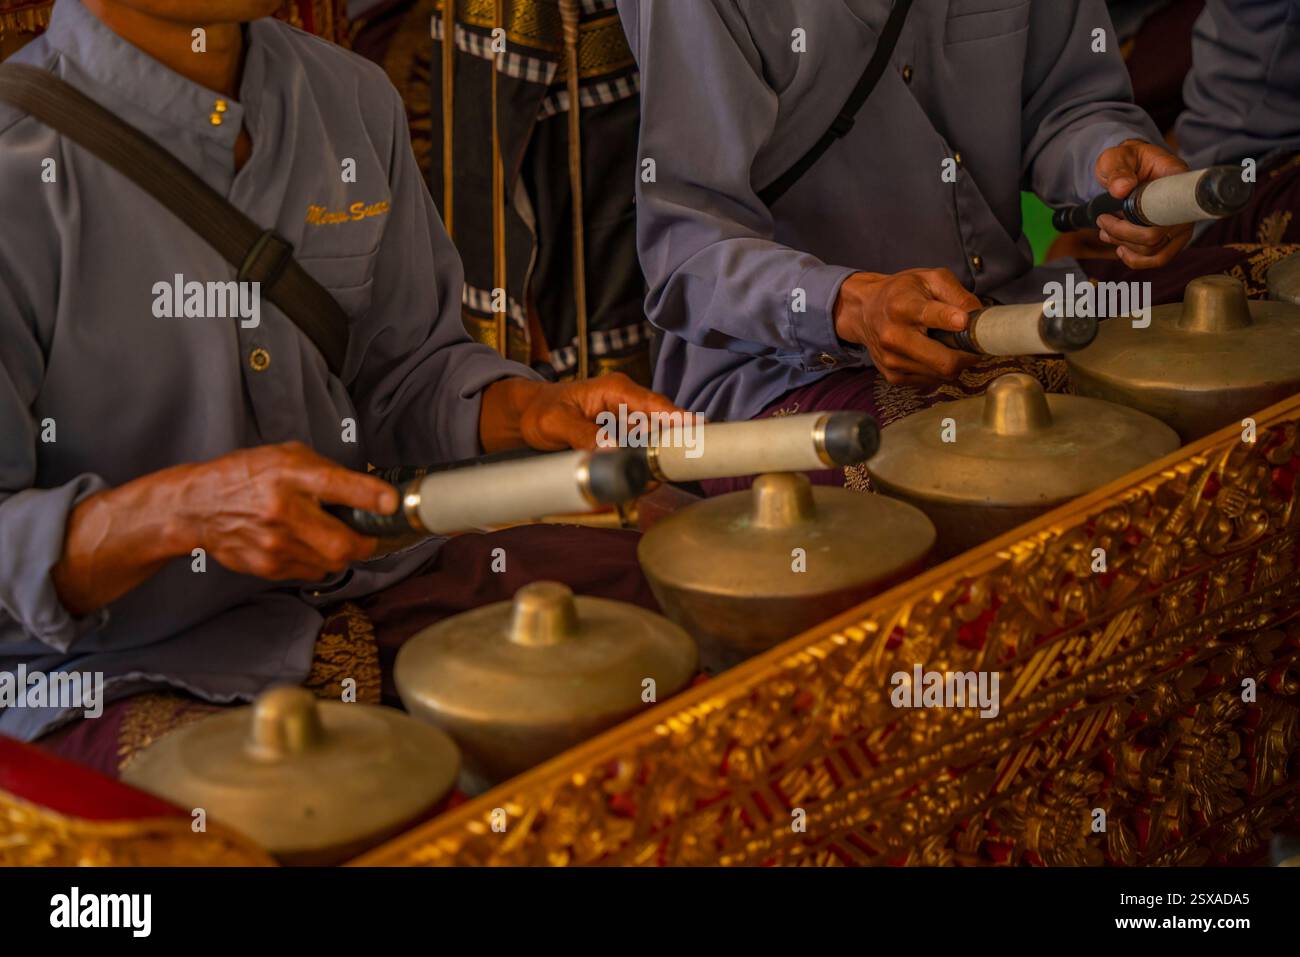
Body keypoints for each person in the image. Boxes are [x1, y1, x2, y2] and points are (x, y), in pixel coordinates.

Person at [0, 0, 682, 766]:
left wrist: (529, 409)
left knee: (691, 624)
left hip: (372, 584)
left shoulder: (347, 99)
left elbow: (404, 375)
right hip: (117, 667)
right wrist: (177, 513)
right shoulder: (16, 172)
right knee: (285, 818)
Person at [618, 0, 1192, 437]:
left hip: (1017, 309)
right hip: (786, 375)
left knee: (1248, 311)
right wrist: (847, 304)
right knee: (999, 462)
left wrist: (1113, 170)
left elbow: (1069, 106)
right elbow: (689, 254)